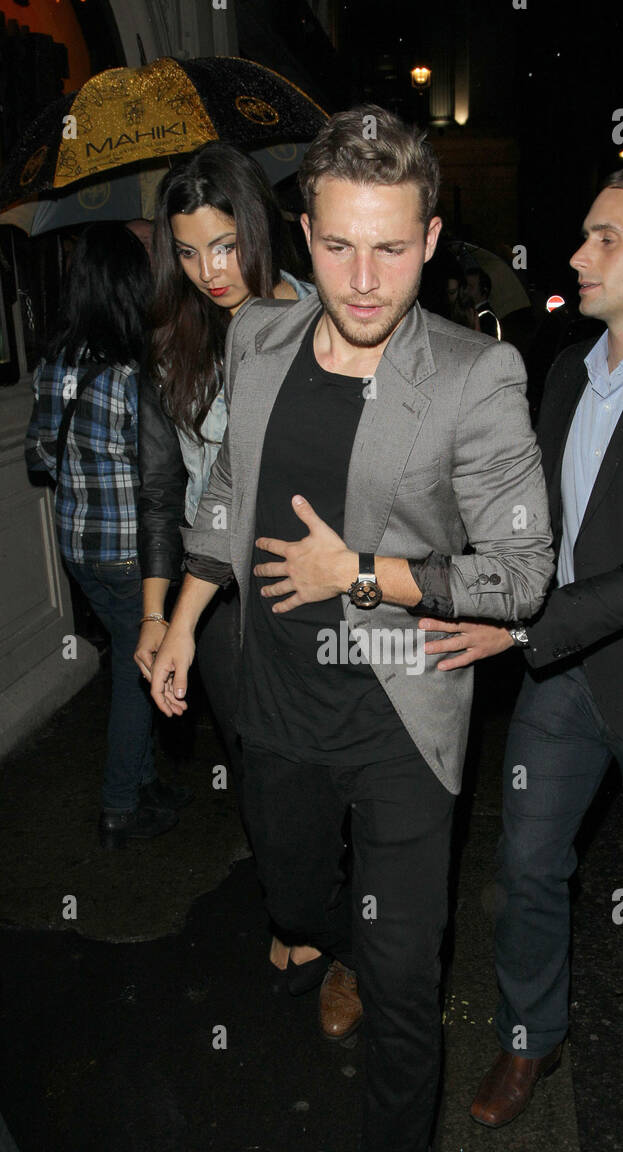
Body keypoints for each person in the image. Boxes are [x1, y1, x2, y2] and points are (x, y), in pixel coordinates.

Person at [146, 104, 553, 1152]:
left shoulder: (478, 375)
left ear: (431, 239)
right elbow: (221, 501)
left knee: (407, 974)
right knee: (293, 894)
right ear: (304, 236)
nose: (362, 279)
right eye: (337, 247)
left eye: (390, 247)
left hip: (397, 717)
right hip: (266, 699)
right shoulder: (261, 343)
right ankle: (336, 941)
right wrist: (177, 626)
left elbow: (521, 572)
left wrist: (364, 573)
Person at [417, 164, 623, 1123]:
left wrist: (519, 625)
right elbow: (535, 520)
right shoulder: (565, 369)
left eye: (605, 239)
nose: (575, 256)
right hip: (561, 676)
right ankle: (530, 1040)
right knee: (525, 862)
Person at [133, 142, 318, 986]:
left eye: (223, 242)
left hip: (326, 577)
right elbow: (162, 490)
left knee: (332, 759)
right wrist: (155, 616)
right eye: (187, 249)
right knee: (258, 761)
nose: (210, 269)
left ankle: (337, 909)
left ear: (258, 227)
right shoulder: (178, 344)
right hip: (224, 600)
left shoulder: (329, 319)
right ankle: (297, 911)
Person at [25, 224, 185, 849]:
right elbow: (160, 478)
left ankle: (142, 784)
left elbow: (39, 457)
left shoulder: (51, 366)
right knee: (138, 671)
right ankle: (120, 805)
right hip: (127, 556)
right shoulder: (129, 376)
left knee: (128, 660)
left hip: (76, 549)